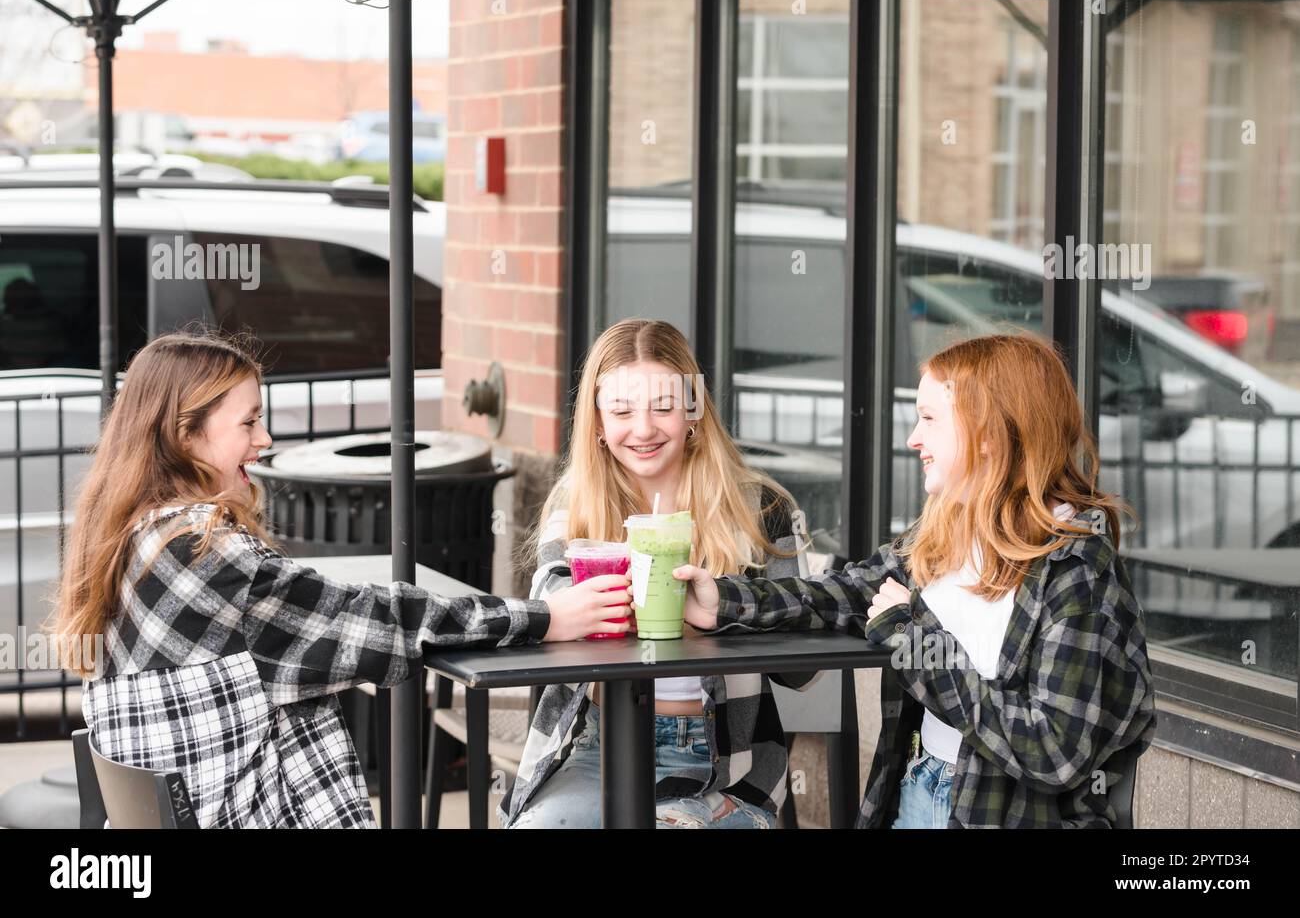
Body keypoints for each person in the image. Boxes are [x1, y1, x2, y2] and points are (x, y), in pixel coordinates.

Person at [49, 328, 630, 828]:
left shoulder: (133, 536)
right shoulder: (204, 552)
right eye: (248, 422)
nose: (265, 439)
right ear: (183, 435)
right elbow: (378, 622)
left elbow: (319, 619)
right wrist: (546, 617)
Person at [673, 332, 1156, 828]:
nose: (913, 439)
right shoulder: (947, 531)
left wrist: (912, 640)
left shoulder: (1076, 566)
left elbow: (1053, 750)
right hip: (918, 784)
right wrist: (722, 602)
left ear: (989, 431)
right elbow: (846, 592)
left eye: (929, 419)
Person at [501, 318, 818, 829]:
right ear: (598, 423)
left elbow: (803, 668)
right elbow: (550, 605)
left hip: (725, 764)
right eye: (622, 410)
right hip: (598, 747)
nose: (643, 429)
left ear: (692, 412)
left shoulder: (760, 508)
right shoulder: (575, 503)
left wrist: (724, 610)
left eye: (663, 408)